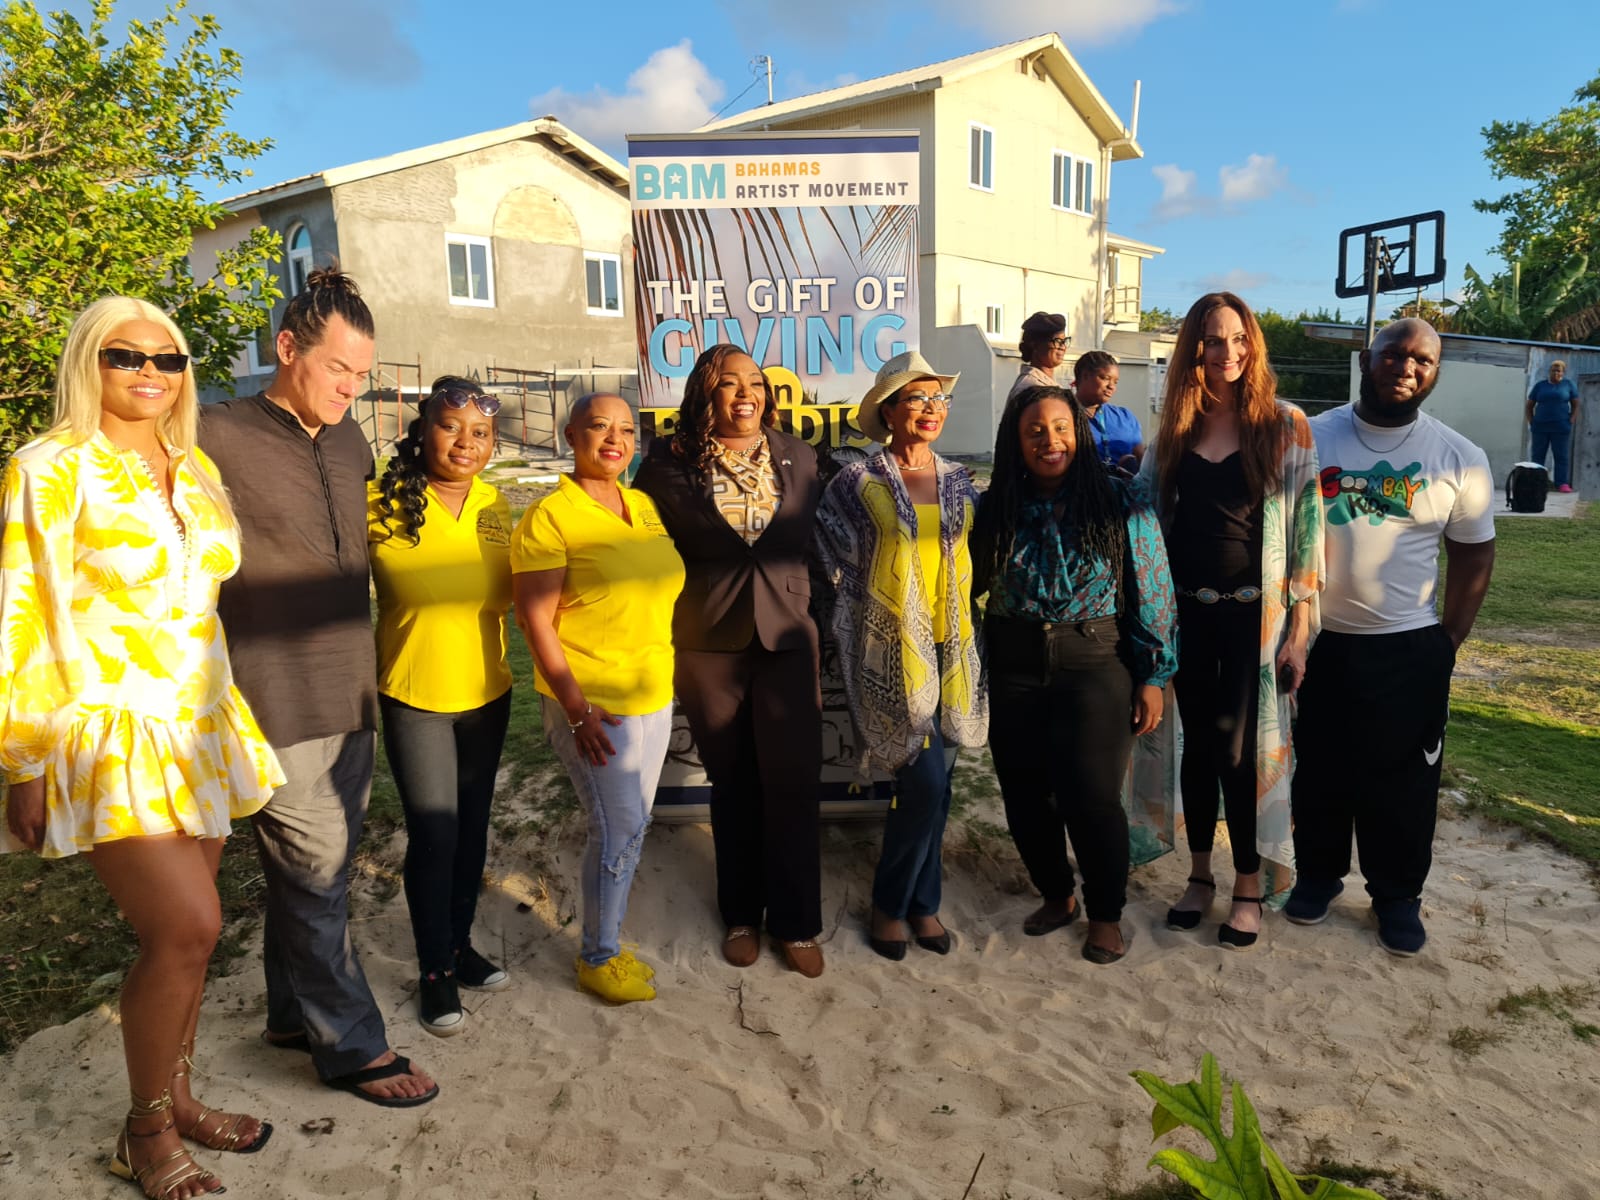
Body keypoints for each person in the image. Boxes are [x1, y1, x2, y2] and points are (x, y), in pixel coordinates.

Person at [1, 297, 284, 1198]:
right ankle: (146, 1131)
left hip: (199, 724)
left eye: (168, 359)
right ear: (91, 360)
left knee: (193, 940)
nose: (150, 374)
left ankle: (179, 1093)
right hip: (108, 729)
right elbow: (19, 615)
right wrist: (21, 756)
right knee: (186, 927)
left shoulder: (190, 463)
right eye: (127, 356)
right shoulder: (48, 468)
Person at [199, 269, 437, 1106]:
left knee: (306, 877)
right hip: (271, 692)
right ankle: (353, 1048)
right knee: (321, 864)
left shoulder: (349, 442)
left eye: (363, 373)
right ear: (286, 347)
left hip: (351, 688)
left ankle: (290, 1017)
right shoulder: (211, 435)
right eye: (338, 367)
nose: (351, 386)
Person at [1286, 318, 1495, 956]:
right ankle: (1319, 876)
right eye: (1393, 354)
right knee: (1319, 770)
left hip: (1409, 645)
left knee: (1403, 782)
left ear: (1434, 374)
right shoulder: (1310, 439)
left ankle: (1397, 895)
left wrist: (1446, 641)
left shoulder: (1460, 457)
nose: (1406, 367)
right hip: (1321, 640)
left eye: (1422, 361)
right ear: (1365, 360)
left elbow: (1474, 558)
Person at [633, 345, 827, 978]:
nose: (745, 394)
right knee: (735, 783)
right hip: (708, 641)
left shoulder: (799, 458)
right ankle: (742, 913)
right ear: (705, 394)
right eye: (728, 384)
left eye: (755, 383)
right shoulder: (669, 462)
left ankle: (796, 922)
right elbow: (637, 541)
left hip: (788, 642)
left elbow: (819, 547)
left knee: (794, 783)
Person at [1141, 292, 1324, 950]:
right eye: (1214, 341)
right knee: (1195, 750)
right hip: (1185, 617)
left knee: (1239, 754)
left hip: (1257, 624)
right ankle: (1198, 878)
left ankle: (1248, 881)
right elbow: (1143, 523)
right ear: (1193, 347)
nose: (1228, 353)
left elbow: (1307, 539)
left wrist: (1299, 637)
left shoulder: (1285, 425)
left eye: (1239, 340)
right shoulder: (1174, 432)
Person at [972, 385, 1178, 965]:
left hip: (1094, 660)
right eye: (1035, 430)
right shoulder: (997, 505)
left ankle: (1106, 913)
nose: (1049, 441)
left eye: (1061, 428)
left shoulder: (1119, 501)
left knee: (1091, 798)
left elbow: (1153, 590)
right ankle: (1057, 895)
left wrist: (1153, 675)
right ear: (1016, 440)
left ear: (1079, 434)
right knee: (1025, 795)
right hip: (1013, 659)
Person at [512, 392, 685, 1003]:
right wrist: (576, 707)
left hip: (652, 692)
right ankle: (598, 956)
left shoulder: (640, 505)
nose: (614, 439)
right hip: (592, 703)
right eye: (597, 427)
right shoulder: (550, 515)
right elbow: (534, 621)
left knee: (629, 828)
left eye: (626, 430)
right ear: (569, 434)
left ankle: (605, 936)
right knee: (619, 828)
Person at [815, 351, 987, 961]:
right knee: (924, 783)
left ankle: (923, 904)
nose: (932, 408)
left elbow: (974, 558)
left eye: (939, 398)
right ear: (888, 412)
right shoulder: (855, 483)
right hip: (889, 648)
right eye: (917, 398)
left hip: (954, 647)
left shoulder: (961, 481)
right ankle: (891, 905)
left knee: (940, 789)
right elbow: (831, 559)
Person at [369, 377, 514, 1036]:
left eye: (480, 432)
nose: (466, 443)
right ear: (423, 428)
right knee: (435, 834)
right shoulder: (378, 503)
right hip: (414, 694)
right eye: (451, 426)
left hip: (487, 693)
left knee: (473, 829)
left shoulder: (495, 506)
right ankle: (433, 972)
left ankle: (459, 946)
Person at [1072, 350, 1145, 475]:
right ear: (1085, 376)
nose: (1111, 386)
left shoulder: (1125, 417)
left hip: (1125, 492)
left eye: (1115, 382)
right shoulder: (1064, 417)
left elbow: (1144, 465)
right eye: (1105, 378)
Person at [1525, 359, 1579, 493]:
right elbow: (1529, 405)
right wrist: (1532, 421)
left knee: (1561, 456)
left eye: (1559, 370)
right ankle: (1536, 483)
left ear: (1563, 373)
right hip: (1540, 427)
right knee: (1538, 455)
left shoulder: (1568, 385)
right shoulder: (1540, 386)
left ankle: (1561, 483)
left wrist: (1571, 419)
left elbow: (1576, 405)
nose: (1556, 373)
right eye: (1554, 370)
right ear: (1549, 371)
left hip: (1561, 427)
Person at [1008, 311, 1070, 401]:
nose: (1063, 347)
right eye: (1057, 341)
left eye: (1064, 341)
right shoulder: (1029, 387)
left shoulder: (1049, 384)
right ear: (1035, 344)